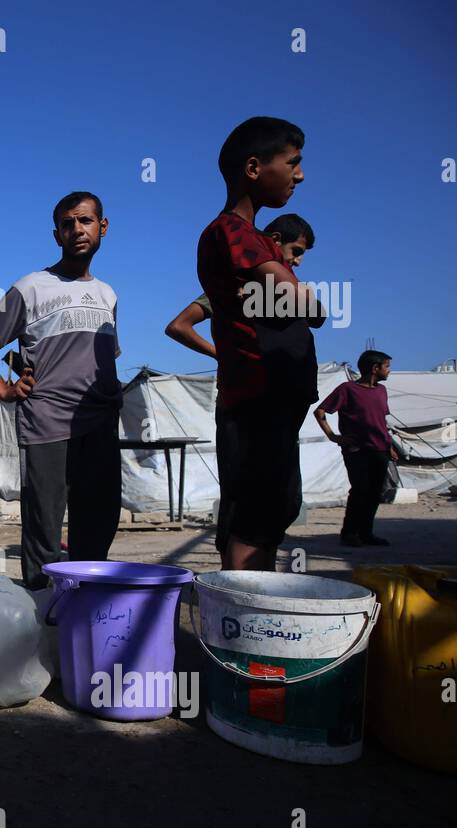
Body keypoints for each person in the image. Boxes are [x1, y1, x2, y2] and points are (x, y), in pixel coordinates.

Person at [0, 191, 123, 591]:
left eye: (85, 221)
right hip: (47, 421)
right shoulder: (31, 287)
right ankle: (39, 614)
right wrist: (3, 388)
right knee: (44, 528)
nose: (77, 230)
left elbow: (106, 359)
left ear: (102, 227)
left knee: (98, 522)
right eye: (67, 224)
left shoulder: (108, 295)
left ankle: (85, 613)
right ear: (57, 235)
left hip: (99, 425)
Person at [196, 116, 325, 571]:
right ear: (254, 168)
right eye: (292, 162)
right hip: (256, 397)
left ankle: (254, 618)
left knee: (272, 510)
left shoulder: (255, 240)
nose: (300, 174)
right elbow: (302, 302)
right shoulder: (232, 232)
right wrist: (303, 296)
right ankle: (241, 624)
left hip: (272, 398)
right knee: (254, 514)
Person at [165, 214, 316, 360]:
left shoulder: (289, 288)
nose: (298, 262)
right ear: (275, 240)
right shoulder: (236, 283)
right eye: (296, 252)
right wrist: (221, 355)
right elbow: (178, 327)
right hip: (249, 379)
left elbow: (317, 316)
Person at [315, 350, 397, 547]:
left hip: (380, 449)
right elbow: (320, 411)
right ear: (375, 368)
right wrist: (333, 436)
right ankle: (349, 533)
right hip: (357, 449)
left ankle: (366, 533)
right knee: (360, 490)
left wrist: (390, 446)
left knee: (375, 492)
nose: (389, 371)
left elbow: (380, 421)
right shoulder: (348, 389)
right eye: (387, 366)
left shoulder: (381, 391)